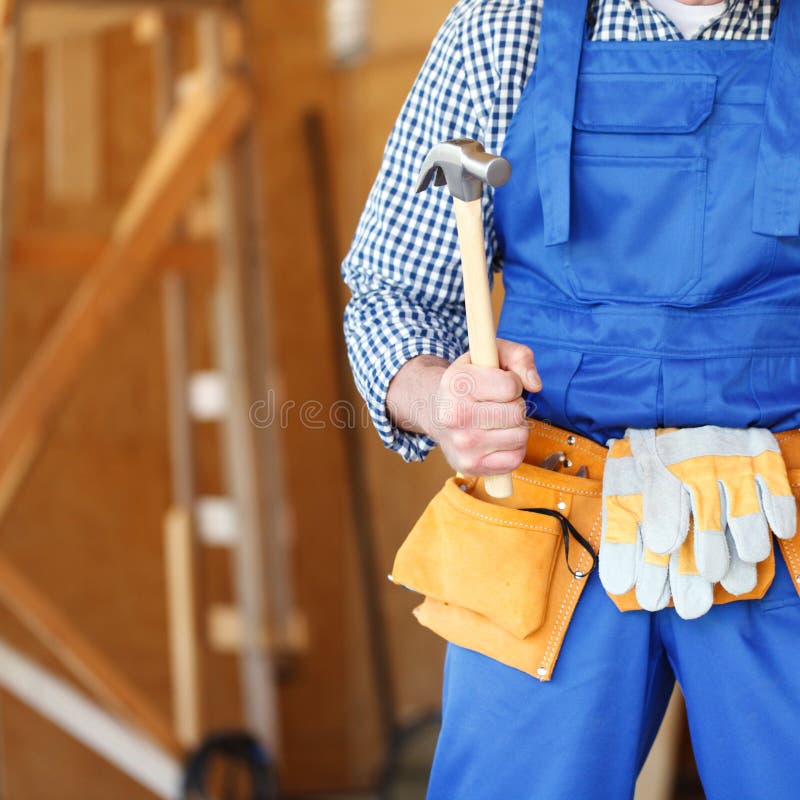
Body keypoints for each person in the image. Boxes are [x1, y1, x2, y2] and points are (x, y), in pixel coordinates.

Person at [342, 1, 800, 798]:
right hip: (549, 515)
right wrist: (439, 395)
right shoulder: (502, 29)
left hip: (779, 515)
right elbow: (393, 295)